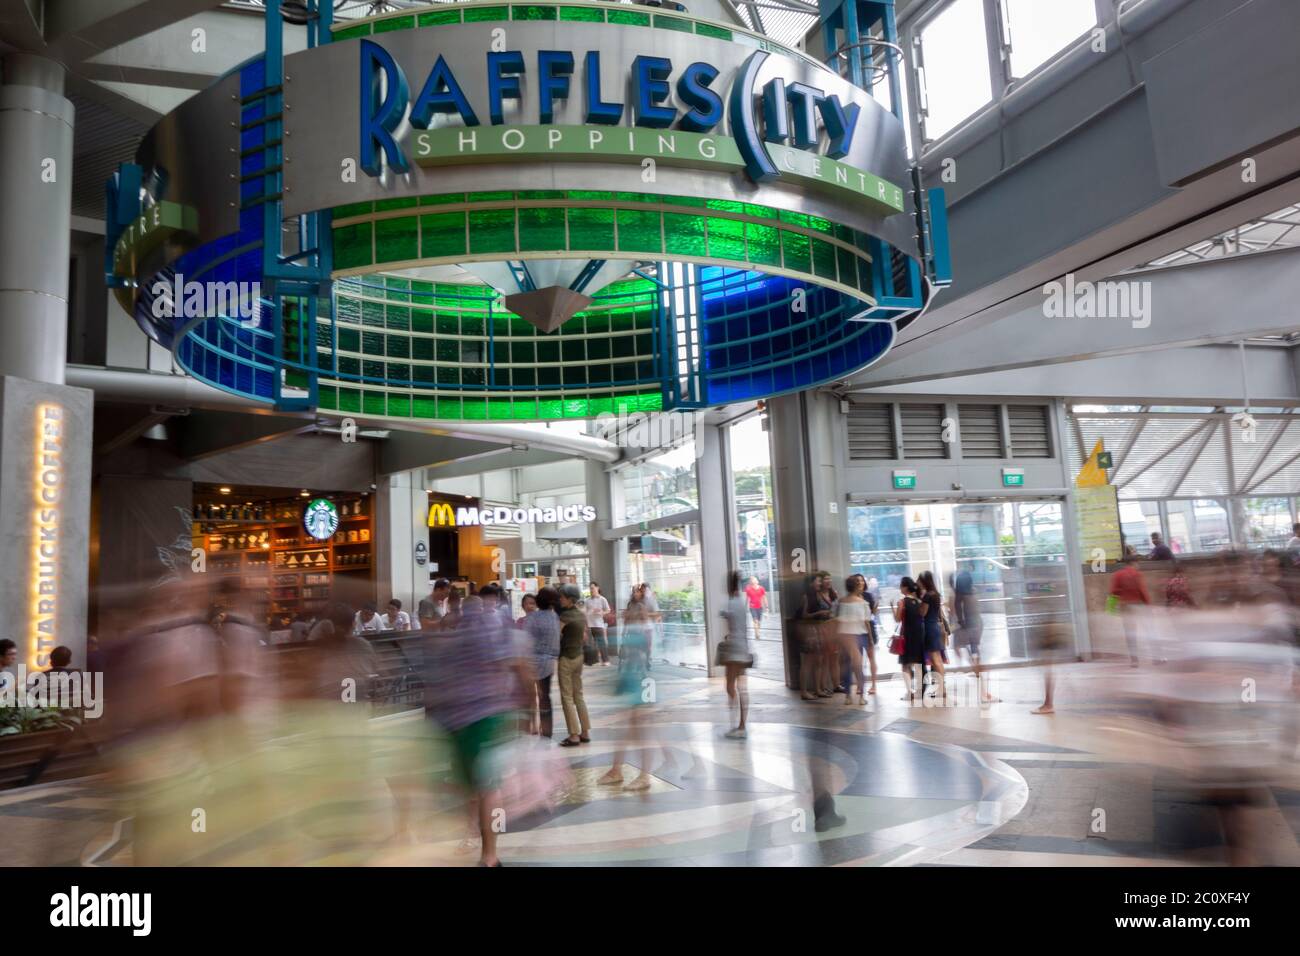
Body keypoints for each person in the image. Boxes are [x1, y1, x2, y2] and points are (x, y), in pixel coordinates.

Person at [422, 595, 533, 867]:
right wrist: (530, 708)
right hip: (489, 718)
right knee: (490, 787)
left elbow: (435, 684)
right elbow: (518, 669)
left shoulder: (452, 641)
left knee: (470, 784)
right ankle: (490, 854)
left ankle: (469, 833)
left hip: (456, 721)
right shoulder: (493, 636)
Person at [599, 600, 655, 789]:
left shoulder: (640, 631)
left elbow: (639, 656)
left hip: (643, 685)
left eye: (629, 613)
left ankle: (644, 775)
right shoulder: (634, 630)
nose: (625, 615)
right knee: (629, 731)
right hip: (637, 684)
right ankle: (616, 770)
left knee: (643, 733)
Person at [951, 569, 995, 703]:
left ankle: (983, 690)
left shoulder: (960, 596)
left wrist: (960, 622)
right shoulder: (973, 592)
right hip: (977, 627)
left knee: (968, 653)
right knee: (976, 654)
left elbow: (958, 613)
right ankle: (983, 690)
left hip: (967, 628)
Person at [718, 571, 754, 737]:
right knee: (742, 687)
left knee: (730, 686)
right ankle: (741, 725)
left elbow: (728, 618)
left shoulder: (731, 602)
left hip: (733, 648)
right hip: (743, 647)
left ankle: (736, 725)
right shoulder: (741, 601)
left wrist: (723, 614)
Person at [556, 584, 592, 747]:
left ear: (570, 599)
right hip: (579, 657)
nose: (560, 599)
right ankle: (585, 731)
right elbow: (585, 636)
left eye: (562, 597)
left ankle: (573, 735)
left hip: (567, 658)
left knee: (567, 697)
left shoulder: (565, 617)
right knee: (578, 695)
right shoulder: (581, 614)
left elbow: (556, 636)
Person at [523, 587, 561, 738]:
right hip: (550, 662)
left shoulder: (532, 618)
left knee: (530, 695)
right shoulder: (554, 617)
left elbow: (525, 640)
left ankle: (529, 727)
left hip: (532, 661)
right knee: (545, 696)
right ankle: (547, 731)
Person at [834, 575, 872, 704]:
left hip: (844, 637)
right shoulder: (862, 603)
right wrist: (870, 639)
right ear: (856, 586)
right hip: (859, 637)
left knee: (846, 666)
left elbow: (837, 620)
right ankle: (861, 697)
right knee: (859, 667)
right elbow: (866, 622)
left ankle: (848, 696)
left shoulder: (841, 601)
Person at [1109, 553, 1151, 666]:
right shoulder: (1137, 574)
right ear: (1133, 563)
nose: (1139, 565)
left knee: (1130, 634)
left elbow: (1113, 592)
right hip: (1138, 605)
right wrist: (1148, 605)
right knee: (1149, 631)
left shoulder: (1117, 575)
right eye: (1138, 563)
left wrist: (1111, 609)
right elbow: (1142, 591)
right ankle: (1156, 658)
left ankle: (1134, 660)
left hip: (1125, 607)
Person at [797, 574, 833, 700]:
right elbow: (804, 615)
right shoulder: (807, 597)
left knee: (818, 661)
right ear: (811, 583)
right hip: (810, 631)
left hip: (817, 630)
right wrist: (819, 613)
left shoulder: (817, 596)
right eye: (818, 581)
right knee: (807, 663)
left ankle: (818, 689)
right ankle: (804, 691)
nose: (820, 583)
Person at [917, 571, 949, 701]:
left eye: (919, 580)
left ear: (924, 581)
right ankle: (942, 689)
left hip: (929, 628)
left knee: (935, 660)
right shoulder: (936, 594)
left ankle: (941, 689)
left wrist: (919, 603)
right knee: (938, 661)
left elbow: (922, 612)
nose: (918, 582)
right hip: (935, 626)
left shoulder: (927, 596)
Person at [894, 577, 927, 702]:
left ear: (905, 587)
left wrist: (894, 607)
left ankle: (909, 692)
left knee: (905, 665)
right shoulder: (919, 601)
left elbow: (897, 619)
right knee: (918, 663)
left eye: (901, 586)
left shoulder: (902, 602)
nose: (900, 588)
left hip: (907, 636)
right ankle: (919, 690)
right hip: (919, 635)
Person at [585, 582, 612, 666]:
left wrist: (601, 612)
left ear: (597, 588)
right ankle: (591, 660)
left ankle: (605, 661)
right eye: (590, 588)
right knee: (589, 643)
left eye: (592, 588)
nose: (591, 590)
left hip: (598, 624)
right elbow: (584, 612)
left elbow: (608, 610)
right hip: (589, 624)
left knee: (601, 643)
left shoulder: (602, 599)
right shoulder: (587, 600)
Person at [744, 576, 768, 641]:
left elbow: (764, 598)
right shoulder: (748, 589)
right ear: (751, 582)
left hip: (760, 607)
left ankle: (757, 632)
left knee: (759, 622)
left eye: (755, 580)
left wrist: (767, 607)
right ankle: (757, 635)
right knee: (755, 621)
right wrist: (745, 607)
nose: (755, 581)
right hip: (752, 607)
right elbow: (747, 598)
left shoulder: (761, 588)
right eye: (753, 580)